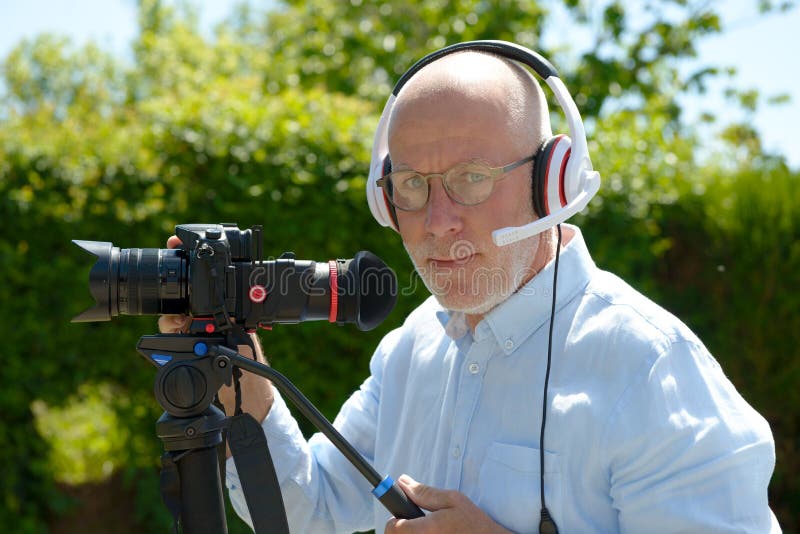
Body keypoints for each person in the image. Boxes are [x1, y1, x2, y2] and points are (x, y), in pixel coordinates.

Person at [159, 47, 780, 533]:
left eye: (472, 179)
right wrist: (246, 384)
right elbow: (309, 509)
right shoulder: (411, 351)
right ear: (384, 198)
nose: (437, 221)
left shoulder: (648, 366)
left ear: (552, 185)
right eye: (410, 185)